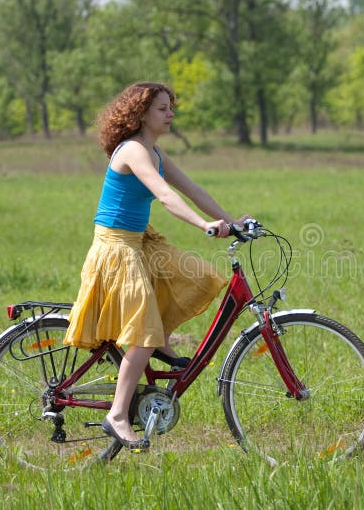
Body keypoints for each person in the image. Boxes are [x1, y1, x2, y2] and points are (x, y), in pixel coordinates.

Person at [63, 82, 247, 452]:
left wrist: (232, 222)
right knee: (142, 333)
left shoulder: (155, 151)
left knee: (197, 277)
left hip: (140, 240)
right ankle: (117, 415)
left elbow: (192, 189)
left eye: (170, 107)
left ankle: (157, 341)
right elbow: (165, 195)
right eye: (162, 108)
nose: (170, 114)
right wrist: (203, 225)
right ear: (142, 114)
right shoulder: (132, 151)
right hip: (116, 248)